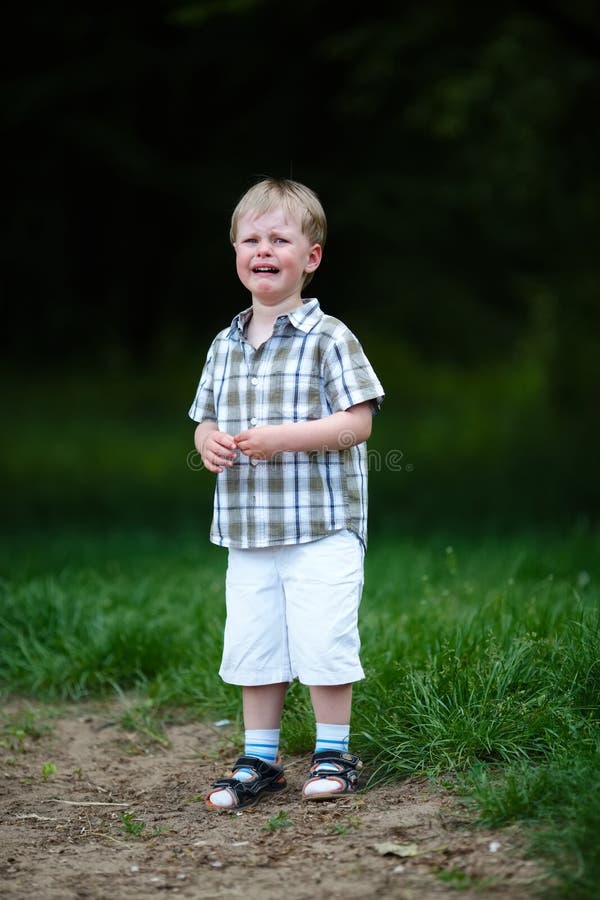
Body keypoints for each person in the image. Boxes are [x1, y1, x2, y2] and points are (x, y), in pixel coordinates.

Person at [189, 177, 384, 810]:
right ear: (236, 253)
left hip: (322, 527)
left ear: (311, 256)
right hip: (248, 530)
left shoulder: (330, 338)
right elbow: (205, 418)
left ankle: (334, 753)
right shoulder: (224, 344)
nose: (263, 249)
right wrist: (207, 441)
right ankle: (260, 758)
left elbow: (357, 424)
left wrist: (286, 439)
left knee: (324, 639)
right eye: (251, 238)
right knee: (254, 644)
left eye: (280, 238)